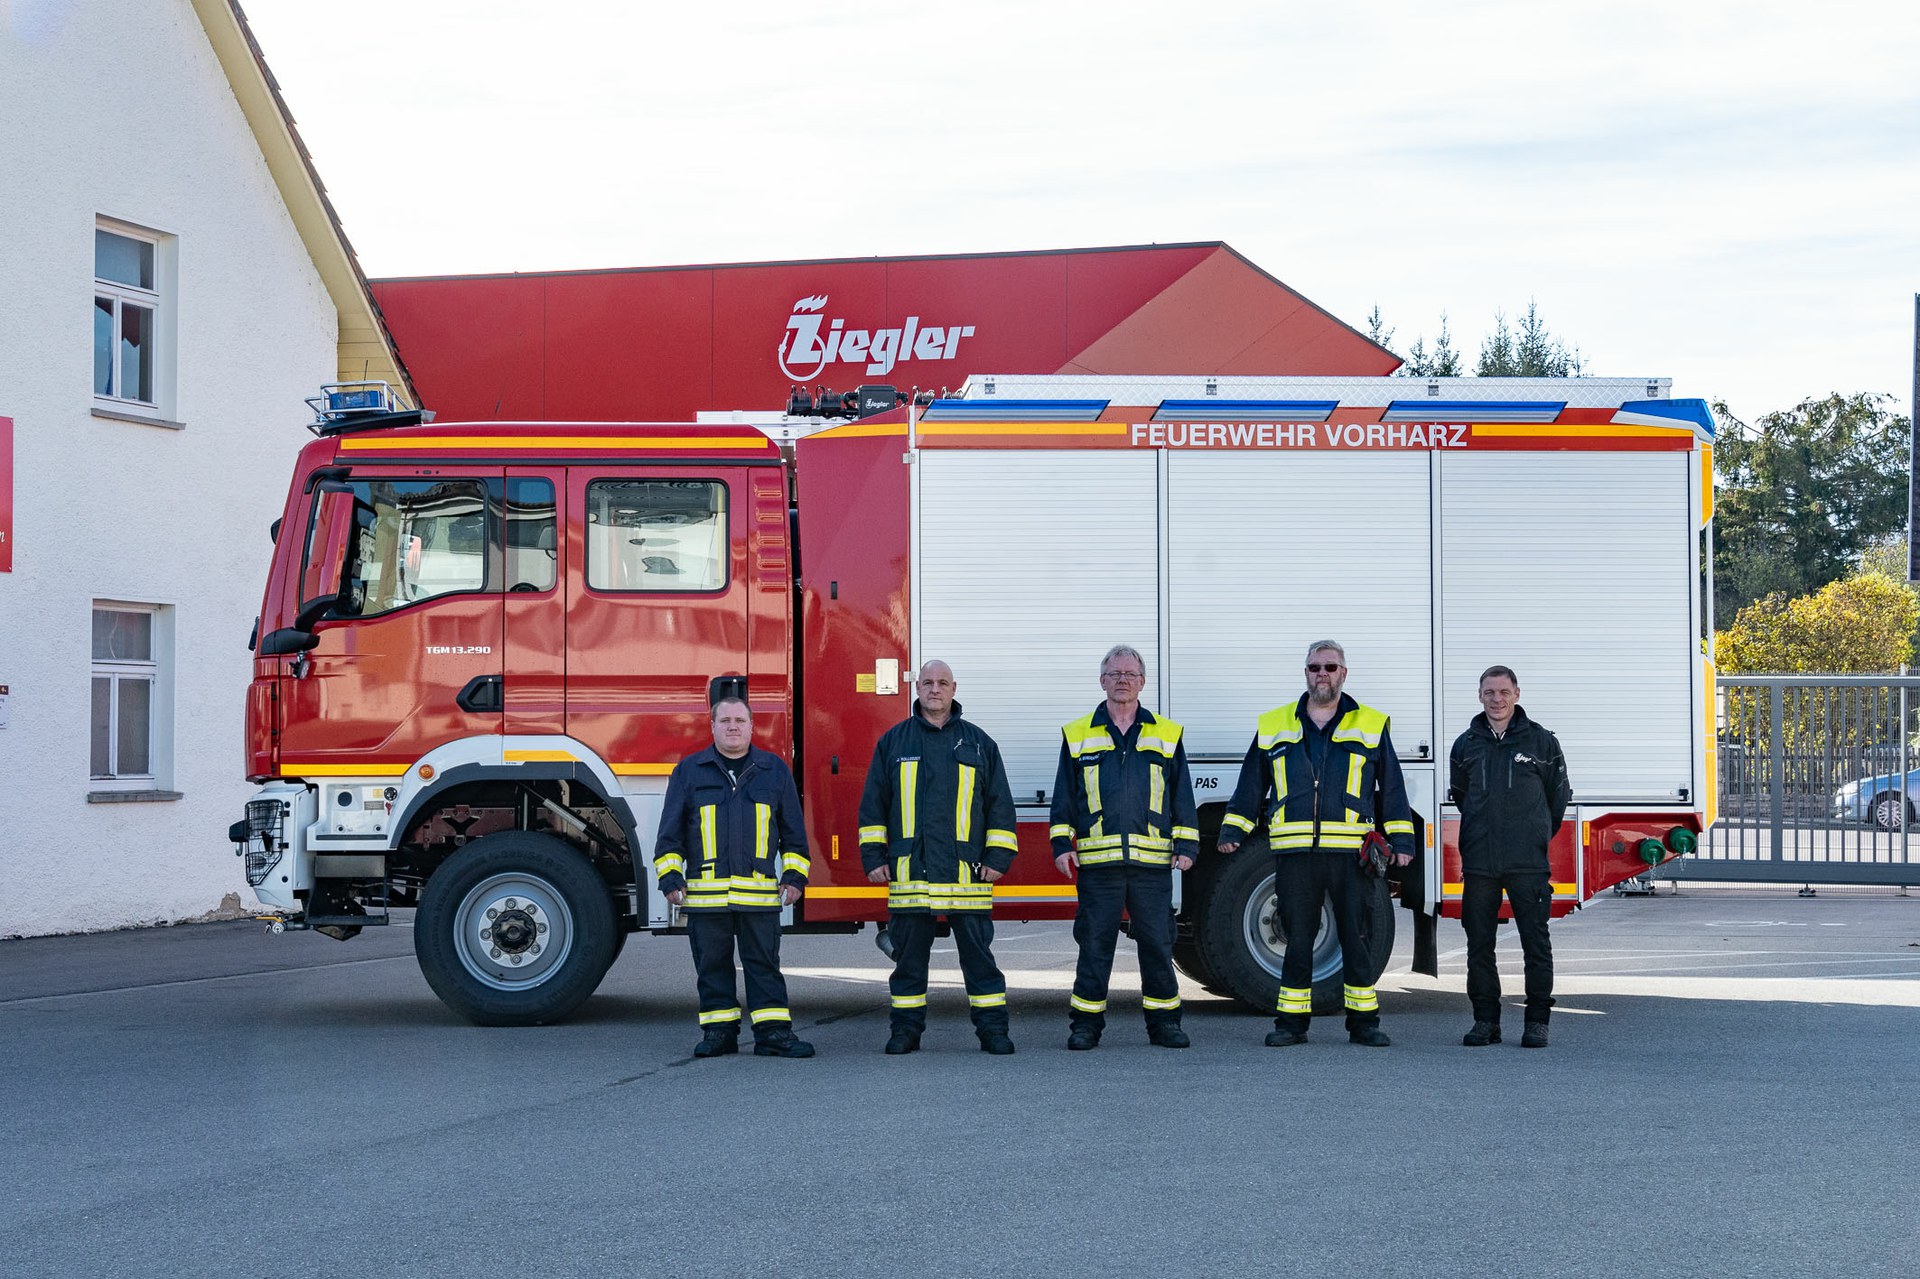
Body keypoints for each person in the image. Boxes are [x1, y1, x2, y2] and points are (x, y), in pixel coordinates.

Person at [1218, 640, 1415, 1048]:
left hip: (1350, 855)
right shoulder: (1275, 725)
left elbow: (1390, 789)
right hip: (1296, 855)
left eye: (1330, 667)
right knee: (1298, 938)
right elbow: (1252, 782)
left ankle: (1364, 1024)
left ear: (1344, 673)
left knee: (1355, 939)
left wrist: (1401, 838)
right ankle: (1291, 1024)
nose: (1321, 674)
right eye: (1314, 667)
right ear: (1305, 673)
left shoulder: (1371, 724)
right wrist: (1232, 831)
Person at [859, 660, 1020, 1055]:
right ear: (917, 688)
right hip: (911, 876)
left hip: (968, 878)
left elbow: (1000, 806)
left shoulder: (979, 744)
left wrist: (998, 856)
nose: (935, 689)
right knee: (909, 964)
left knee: (980, 962)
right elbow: (873, 807)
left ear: (953, 688)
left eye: (942, 683)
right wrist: (873, 857)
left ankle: (993, 1032)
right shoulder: (894, 743)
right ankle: (905, 1033)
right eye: (928, 682)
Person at [1050, 644, 1199, 1050]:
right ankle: (1085, 1027)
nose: (1122, 680)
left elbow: (1180, 794)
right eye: (1114, 674)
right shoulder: (1079, 734)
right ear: (1102, 681)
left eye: (1130, 674)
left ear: (1142, 682)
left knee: (1157, 944)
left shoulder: (1166, 735)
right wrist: (1062, 842)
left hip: (1152, 866)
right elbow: (1065, 795)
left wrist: (1187, 842)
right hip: (1099, 866)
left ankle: (1165, 1025)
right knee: (1095, 946)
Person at [654, 694, 814, 1059]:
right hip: (707, 899)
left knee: (764, 967)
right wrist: (670, 880)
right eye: (724, 721)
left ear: (751, 726)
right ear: (712, 727)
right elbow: (670, 836)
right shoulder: (689, 771)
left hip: (758, 898)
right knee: (712, 967)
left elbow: (793, 834)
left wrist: (793, 876)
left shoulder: (773, 770)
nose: (732, 727)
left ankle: (773, 1034)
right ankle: (718, 1034)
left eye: (739, 721)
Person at [1449, 665, 1572, 1050]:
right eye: (1489, 692)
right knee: (1479, 945)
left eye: (1503, 692)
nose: (1496, 699)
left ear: (1517, 693)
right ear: (1479, 695)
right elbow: (1461, 795)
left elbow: (1557, 800)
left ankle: (1536, 1022)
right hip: (1480, 864)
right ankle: (1486, 1022)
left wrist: (1532, 836)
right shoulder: (1465, 744)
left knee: (1535, 943)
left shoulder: (1542, 743)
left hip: (1527, 863)